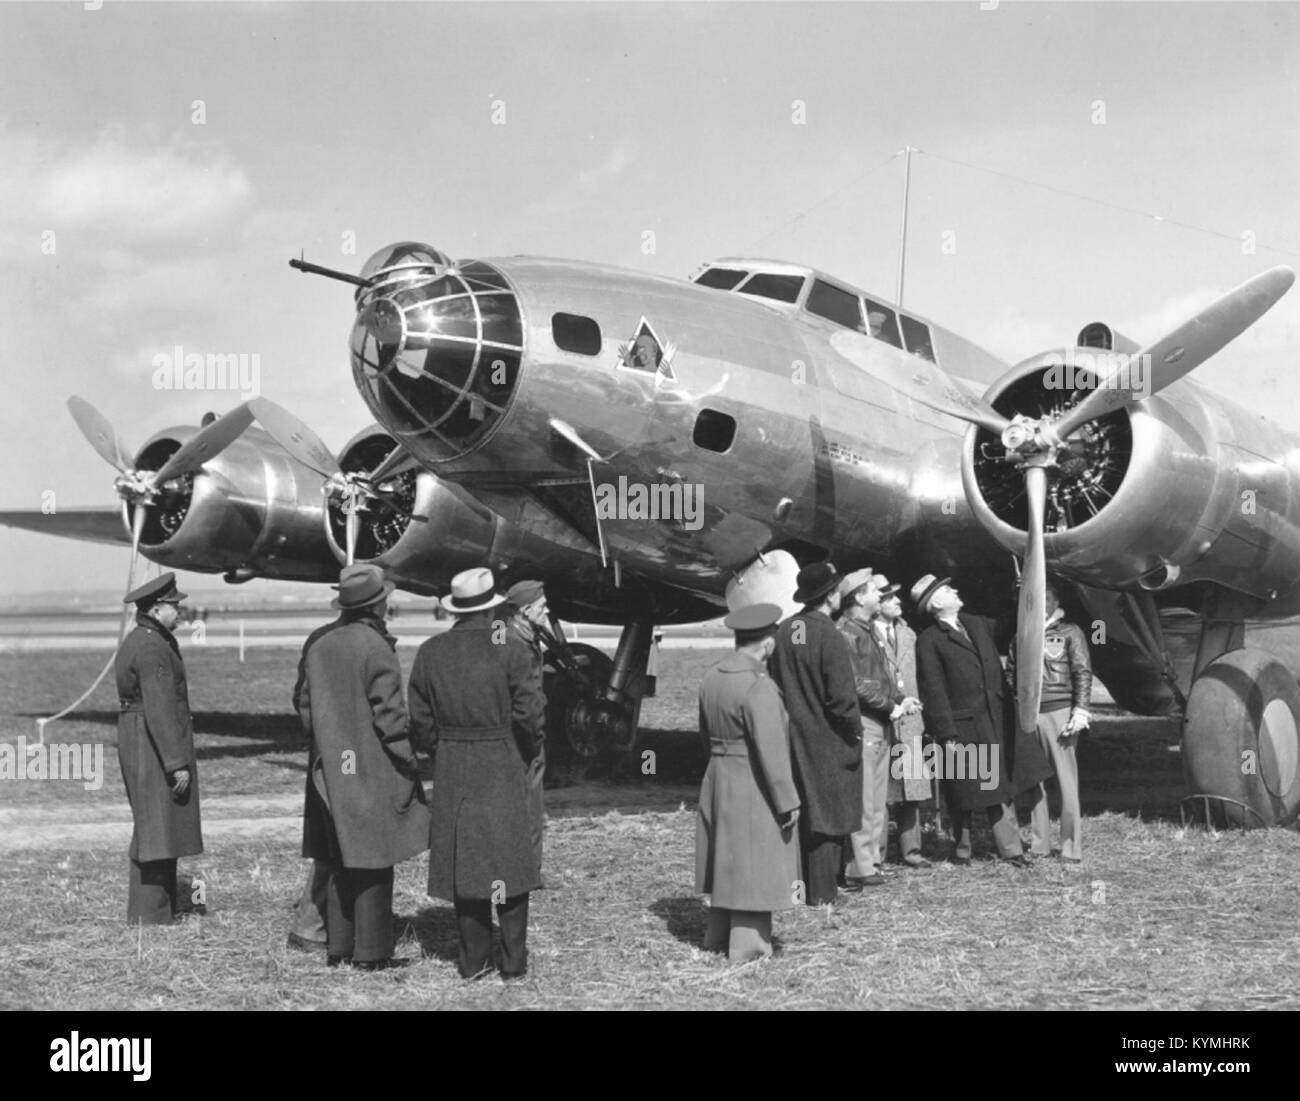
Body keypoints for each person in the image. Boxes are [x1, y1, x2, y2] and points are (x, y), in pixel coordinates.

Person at [409, 567, 544, 980]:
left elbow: (420, 721)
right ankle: (513, 962)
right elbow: (530, 714)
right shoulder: (509, 647)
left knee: (465, 864)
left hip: (452, 763)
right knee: (509, 861)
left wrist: (445, 749)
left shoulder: (431, 650)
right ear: (492, 607)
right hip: (501, 759)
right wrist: (522, 750)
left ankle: (472, 962)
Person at [297, 564, 430, 970]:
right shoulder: (376, 648)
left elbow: (304, 707)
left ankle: (339, 948)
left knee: (338, 856)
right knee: (373, 861)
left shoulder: (320, 644)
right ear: (378, 605)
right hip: (370, 771)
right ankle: (372, 955)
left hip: (328, 769)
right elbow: (390, 719)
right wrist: (411, 760)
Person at [912, 574, 1046, 867]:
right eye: (948, 589)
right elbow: (933, 689)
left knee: (998, 787)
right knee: (963, 793)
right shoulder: (929, 641)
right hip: (962, 726)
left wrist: (1022, 594)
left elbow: (1010, 625)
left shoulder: (975, 623)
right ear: (936, 602)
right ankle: (962, 850)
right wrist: (946, 734)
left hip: (995, 719)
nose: (956, 589)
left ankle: (1011, 851)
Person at [696, 603, 801, 962]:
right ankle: (750, 945)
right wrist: (788, 800)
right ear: (768, 644)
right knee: (755, 861)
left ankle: (719, 933)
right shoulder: (759, 687)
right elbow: (773, 753)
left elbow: (703, 734)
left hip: (718, 774)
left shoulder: (712, 676)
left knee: (727, 857)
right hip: (751, 780)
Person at [769, 562, 863, 906]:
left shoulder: (786, 630)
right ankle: (824, 894)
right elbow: (842, 698)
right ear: (830, 594)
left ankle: (802, 887)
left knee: (805, 812)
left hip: (792, 735)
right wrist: (853, 731)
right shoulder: (828, 634)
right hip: (828, 739)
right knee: (828, 815)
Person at [286, 564, 369, 954]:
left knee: (330, 846)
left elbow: (301, 701)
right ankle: (319, 929)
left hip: (325, 758)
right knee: (342, 846)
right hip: (350, 759)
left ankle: (321, 927)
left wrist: (322, 739)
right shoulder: (367, 641)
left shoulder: (319, 638)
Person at [114, 572, 203, 924]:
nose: (179, 611)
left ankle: (155, 913)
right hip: (150, 741)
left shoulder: (145, 639)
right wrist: (175, 762)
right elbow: (160, 708)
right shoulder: (153, 647)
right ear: (155, 609)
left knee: (157, 823)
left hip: (141, 736)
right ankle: (150, 917)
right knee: (156, 826)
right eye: (174, 605)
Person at [837, 570, 921, 889]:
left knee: (876, 798)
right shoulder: (848, 633)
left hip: (879, 720)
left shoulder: (865, 630)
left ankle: (870, 862)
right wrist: (891, 706)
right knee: (866, 798)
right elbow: (856, 683)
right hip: (868, 722)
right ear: (859, 597)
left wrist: (900, 698)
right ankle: (860, 866)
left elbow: (881, 676)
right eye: (875, 591)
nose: (881, 597)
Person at [1009, 582, 1091, 862]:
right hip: (1029, 713)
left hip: (1059, 711)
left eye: (1047, 597)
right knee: (1035, 781)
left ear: (1056, 601)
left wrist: (1080, 709)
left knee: (1067, 781)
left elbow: (1082, 671)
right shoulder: (1022, 633)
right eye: (1036, 598)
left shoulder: (1070, 632)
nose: (1041, 603)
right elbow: (1012, 672)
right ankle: (1039, 844)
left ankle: (1070, 847)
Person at [873, 573, 932, 868]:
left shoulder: (909, 634)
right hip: (880, 720)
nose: (898, 602)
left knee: (912, 788)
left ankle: (912, 851)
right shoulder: (864, 635)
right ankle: (877, 855)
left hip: (910, 722)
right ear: (876, 603)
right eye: (889, 598)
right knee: (880, 792)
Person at [506, 579, 550, 886]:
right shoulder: (516, 645)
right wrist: (533, 737)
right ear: (526, 611)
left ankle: (529, 870)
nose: (547, 612)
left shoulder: (523, 637)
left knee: (530, 807)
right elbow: (523, 702)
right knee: (528, 809)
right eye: (542, 607)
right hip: (524, 741)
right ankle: (528, 873)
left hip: (525, 738)